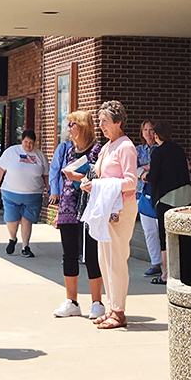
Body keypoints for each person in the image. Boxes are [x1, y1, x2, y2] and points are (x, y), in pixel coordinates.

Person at [81, 100, 138, 330]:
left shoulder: (125, 146)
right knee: (104, 260)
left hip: (120, 210)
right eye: (100, 121)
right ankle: (112, 306)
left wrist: (101, 187)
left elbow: (131, 181)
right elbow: (100, 177)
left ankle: (119, 311)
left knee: (116, 260)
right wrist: (89, 183)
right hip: (106, 209)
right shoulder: (107, 147)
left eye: (105, 121)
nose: (101, 125)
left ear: (118, 122)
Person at [49, 111, 104, 319]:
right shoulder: (68, 150)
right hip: (68, 208)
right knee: (69, 255)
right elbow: (64, 182)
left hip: (89, 208)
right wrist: (59, 212)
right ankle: (71, 301)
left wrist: (77, 176)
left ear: (82, 125)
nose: (69, 128)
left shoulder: (97, 150)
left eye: (72, 124)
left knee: (91, 255)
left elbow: (98, 177)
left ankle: (97, 302)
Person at [149, 120, 191, 285]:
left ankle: (166, 274)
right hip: (185, 195)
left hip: (166, 197)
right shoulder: (179, 149)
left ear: (156, 135)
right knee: (183, 234)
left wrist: (143, 175)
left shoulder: (157, 153)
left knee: (164, 235)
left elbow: (153, 177)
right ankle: (184, 271)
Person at [0, 129, 49, 258]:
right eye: (25, 142)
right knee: (12, 219)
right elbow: (0, 169)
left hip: (33, 194)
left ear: (35, 143)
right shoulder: (11, 152)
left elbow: (46, 175)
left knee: (27, 220)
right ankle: (12, 238)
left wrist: (49, 189)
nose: (28, 145)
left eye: (31, 142)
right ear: (21, 141)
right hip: (11, 192)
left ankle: (25, 247)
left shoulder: (40, 156)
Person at [136, 120, 161, 277]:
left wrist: (148, 168)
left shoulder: (161, 149)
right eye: (145, 129)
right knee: (149, 230)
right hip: (142, 192)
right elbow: (131, 166)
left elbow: (159, 168)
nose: (148, 132)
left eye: (151, 129)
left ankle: (166, 262)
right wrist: (143, 171)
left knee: (160, 229)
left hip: (159, 192)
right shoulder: (138, 150)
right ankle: (156, 263)